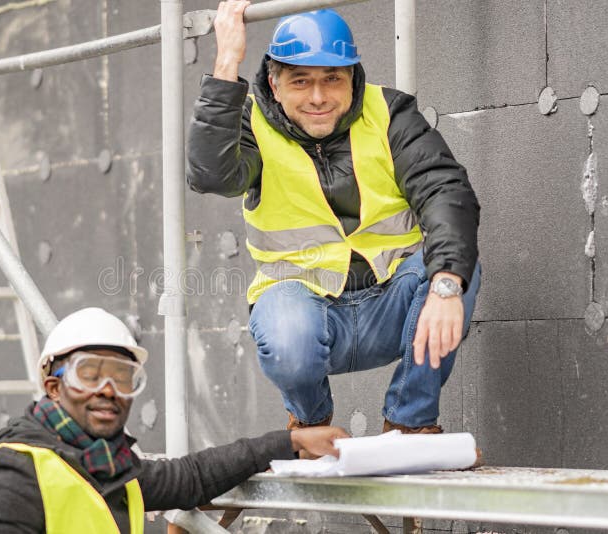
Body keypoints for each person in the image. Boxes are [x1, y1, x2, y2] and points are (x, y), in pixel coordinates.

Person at [186, 3, 482, 437]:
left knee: (453, 268)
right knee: (287, 337)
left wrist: (445, 285)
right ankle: (310, 423)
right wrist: (226, 61)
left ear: (352, 76)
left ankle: (409, 423)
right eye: (300, 81)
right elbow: (210, 175)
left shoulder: (390, 113)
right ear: (274, 82)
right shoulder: (250, 120)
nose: (319, 97)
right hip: (305, 311)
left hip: (392, 301)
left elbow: (445, 191)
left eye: (332, 80)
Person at [0, 307, 348, 533]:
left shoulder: (110, 467)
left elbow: (193, 476)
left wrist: (294, 442)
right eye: (90, 374)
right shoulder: (11, 472)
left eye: (123, 376)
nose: (109, 389)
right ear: (53, 387)